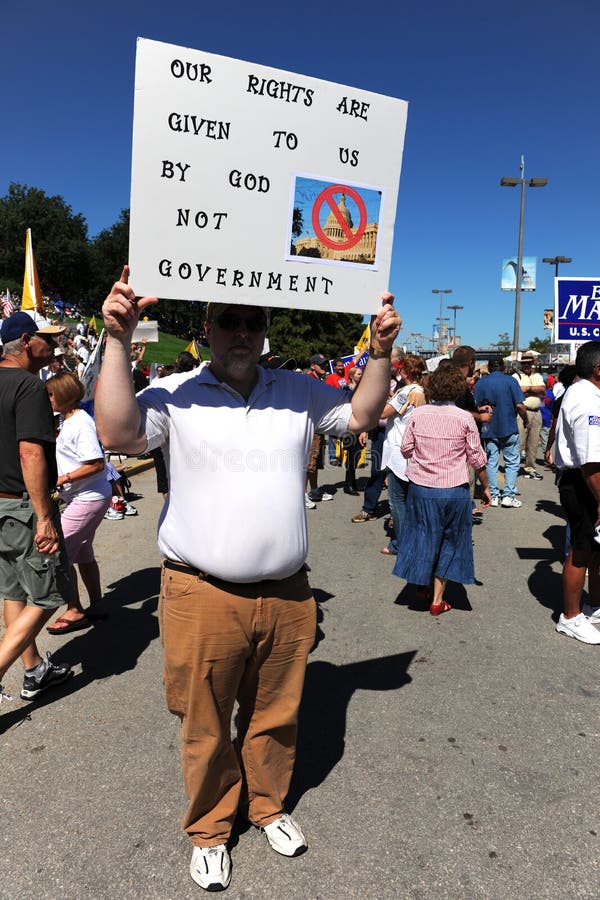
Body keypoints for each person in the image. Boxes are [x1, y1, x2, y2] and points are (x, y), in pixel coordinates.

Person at [94, 266, 400, 892]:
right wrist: (118, 341)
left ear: (264, 330)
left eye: (251, 321)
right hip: (201, 591)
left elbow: (360, 418)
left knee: (276, 714)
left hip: (287, 592)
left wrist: (379, 351)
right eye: (228, 321)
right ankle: (210, 827)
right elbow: (117, 433)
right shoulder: (175, 392)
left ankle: (266, 805)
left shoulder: (299, 389)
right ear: (207, 329)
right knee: (204, 722)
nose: (240, 332)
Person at [0, 312, 73, 702]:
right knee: (48, 595)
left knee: (14, 593)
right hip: (24, 506)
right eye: (48, 338)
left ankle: (34, 670)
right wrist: (44, 517)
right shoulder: (29, 386)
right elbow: (30, 453)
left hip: (2, 507)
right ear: (27, 342)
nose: (55, 344)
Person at [392, 366, 491, 614]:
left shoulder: (418, 414)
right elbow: (477, 459)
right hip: (454, 488)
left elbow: (405, 449)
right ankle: (437, 599)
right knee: (450, 540)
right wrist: (486, 487)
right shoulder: (465, 417)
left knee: (423, 535)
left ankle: (422, 583)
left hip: (422, 487)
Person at [44, 372, 112, 633]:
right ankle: (97, 604)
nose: (48, 399)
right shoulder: (71, 419)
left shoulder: (80, 423)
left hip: (88, 497)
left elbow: (96, 463)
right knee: (83, 552)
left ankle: (74, 610)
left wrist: (63, 478)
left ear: (63, 394)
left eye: (51, 394)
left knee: (59, 554)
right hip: (86, 496)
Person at [554, 342, 600, 644]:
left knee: (596, 550)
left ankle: (594, 606)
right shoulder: (587, 400)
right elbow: (591, 462)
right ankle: (570, 617)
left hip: (588, 481)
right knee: (581, 551)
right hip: (586, 483)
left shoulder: (586, 393)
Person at [380, 354, 426, 555]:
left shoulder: (408, 391)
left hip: (399, 452)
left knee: (397, 500)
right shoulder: (422, 390)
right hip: (412, 449)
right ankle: (414, 540)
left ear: (405, 371)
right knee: (410, 500)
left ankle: (401, 543)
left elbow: (383, 413)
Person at [474, 358, 528, 508]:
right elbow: (520, 405)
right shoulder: (511, 381)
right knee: (512, 462)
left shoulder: (481, 383)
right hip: (508, 427)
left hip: (489, 428)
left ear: (489, 368)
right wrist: (526, 419)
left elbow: (476, 404)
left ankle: (494, 495)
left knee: (491, 462)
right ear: (503, 368)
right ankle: (508, 496)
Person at [305, 353, 334, 506]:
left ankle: (315, 490)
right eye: (320, 364)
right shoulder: (308, 380)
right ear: (312, 366)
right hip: (311, 425)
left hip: (319, 426)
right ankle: (303, 494)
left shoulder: (319, 380)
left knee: (315, 462)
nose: (324, 366)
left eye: (324, 364)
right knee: (308, 462)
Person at [513, 353, 545, 479]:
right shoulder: (516, 376)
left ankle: (530, 468)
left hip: (536, 411)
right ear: (521, 364)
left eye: (529, 363)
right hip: (522, 411)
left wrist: (528, 389)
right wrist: (533, 390)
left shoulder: (537, 375)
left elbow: (542, 389)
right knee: (519, 441)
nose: (527, 365)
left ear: (532, 363)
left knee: (533, 442)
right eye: (524, 363)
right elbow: (518, 392)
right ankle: (513, 468)